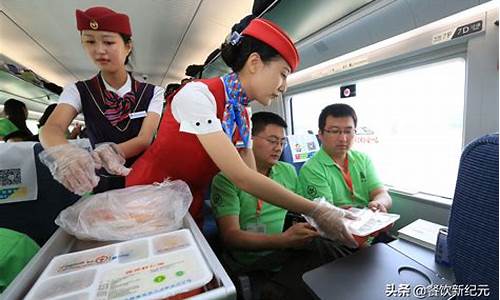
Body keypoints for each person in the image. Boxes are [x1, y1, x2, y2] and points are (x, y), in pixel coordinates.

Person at [125, 18, 357, 247]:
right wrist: (317, 210)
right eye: (283, 74)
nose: (284, 86)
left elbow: (252, 176)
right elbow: (242, 178)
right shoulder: (197, 95)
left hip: (188, 200)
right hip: (149, 193)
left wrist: (322, 212)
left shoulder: (242, 114)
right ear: (255, 62)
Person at [39, 6, 164, 195]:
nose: (99, 50)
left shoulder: (153, 92)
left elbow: (144, 139)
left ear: (127, 46)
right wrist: (65, 154)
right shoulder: (78, 90)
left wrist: (110, 152)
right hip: (101, 183)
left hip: (145, 179)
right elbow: (51, 128)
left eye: (108, 42)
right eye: (90, 42)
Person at [212, 112, 337, 299]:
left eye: (282, 142)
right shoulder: (226, 180)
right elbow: (231, 237)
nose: (278, 148)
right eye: (272, 140)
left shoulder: (287, 170)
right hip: (256, 257)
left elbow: (300, 210)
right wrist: (284, 239)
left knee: (331, 248)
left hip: (290, 248)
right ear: (249, 140)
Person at [299, 103, 392, 212]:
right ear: (320, 134)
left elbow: (381, 193)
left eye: (348, 131)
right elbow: (326, 213)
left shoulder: (363, 159)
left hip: (368, 221)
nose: (343, 138)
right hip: (335, 227)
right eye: (334, 131)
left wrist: (379, 203)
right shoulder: (311, 169)